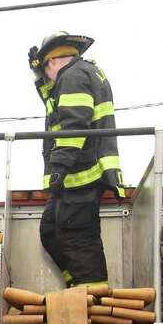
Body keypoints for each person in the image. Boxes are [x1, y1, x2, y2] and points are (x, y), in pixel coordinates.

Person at [28, 31, 122, 290]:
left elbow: (74, 124)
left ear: (52, 62)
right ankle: (77, 286)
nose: (46, 78)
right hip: (76, 174)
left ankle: (93, 301)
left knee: (79, 238)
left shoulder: (72, 76)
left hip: (80, 173)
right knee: (50, 231)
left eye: (45, 71)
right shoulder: (79, 73)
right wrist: (40, 79)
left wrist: (58, 168)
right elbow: (56, 103)